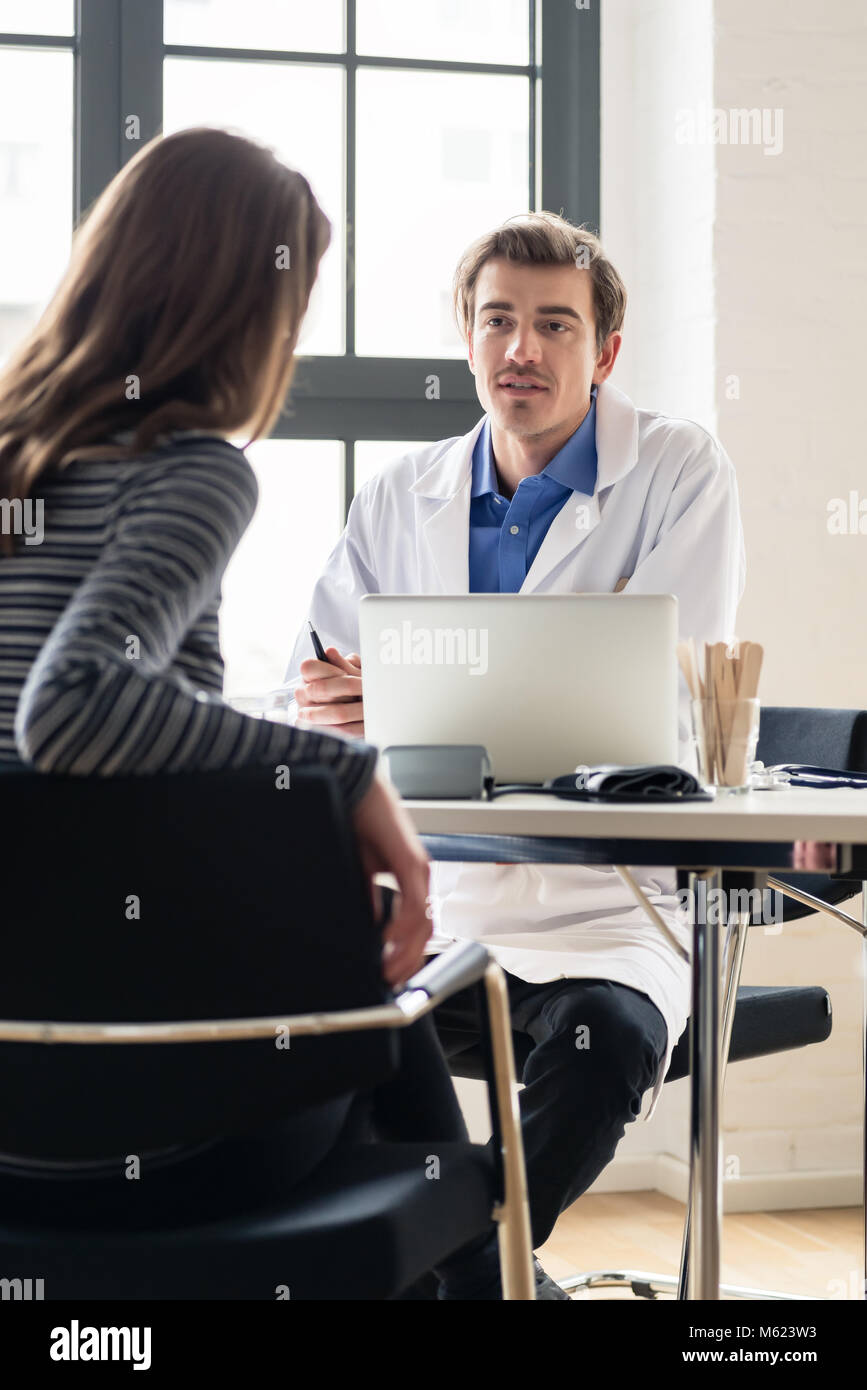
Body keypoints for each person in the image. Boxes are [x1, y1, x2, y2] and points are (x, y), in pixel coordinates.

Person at [0, 128, 531, 1300]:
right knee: (412, 1077)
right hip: (153, 1134)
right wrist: (347, 772)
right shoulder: (186, 468)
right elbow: (74, 708)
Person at [285, 212, 746, 1281]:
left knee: (609, 1041)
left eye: (554, 325)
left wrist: (400, 693)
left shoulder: (678, 470)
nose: (520, 350)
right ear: (467, 337)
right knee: (297, 1034)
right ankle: (481, 1274)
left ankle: (455, 1270)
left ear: (606, 352)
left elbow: (655, 701)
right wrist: (357, 699)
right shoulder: (404, 493)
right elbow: (316, 689)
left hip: (609, 909)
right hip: (434, 902)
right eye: (497, 320)